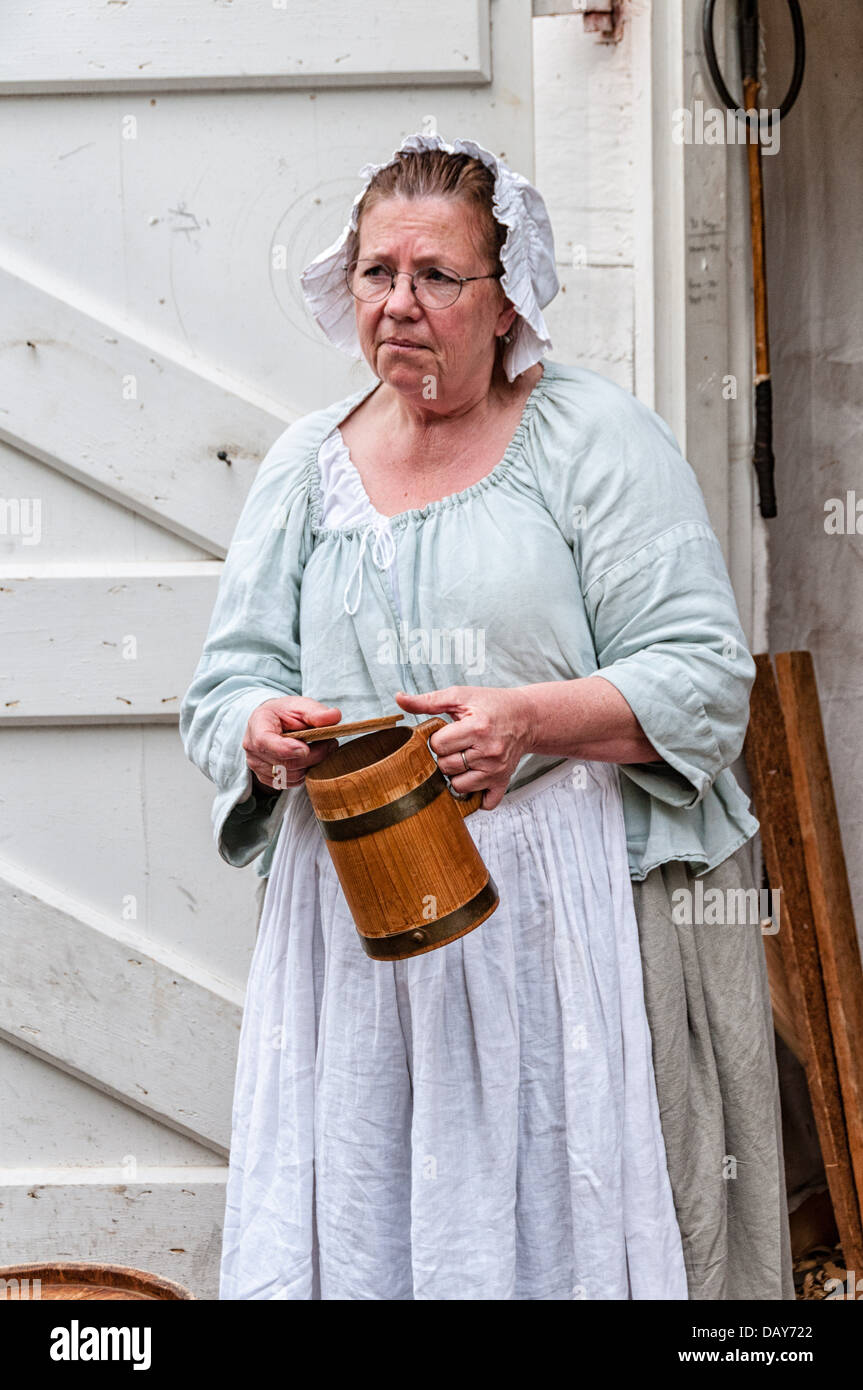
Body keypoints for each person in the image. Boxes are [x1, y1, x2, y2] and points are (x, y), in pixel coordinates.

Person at [180, 132, 794, 1300]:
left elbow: (706, 676)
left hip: (563, 921)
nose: (398, 304)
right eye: (376, 273)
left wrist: (529, 719)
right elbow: (226, 681)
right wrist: (259, 731)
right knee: (374, 1235)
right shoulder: (305, 467)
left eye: (435, 277)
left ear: (506, 299)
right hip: (360, 936)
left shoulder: (590, 439)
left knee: (568, 1235)